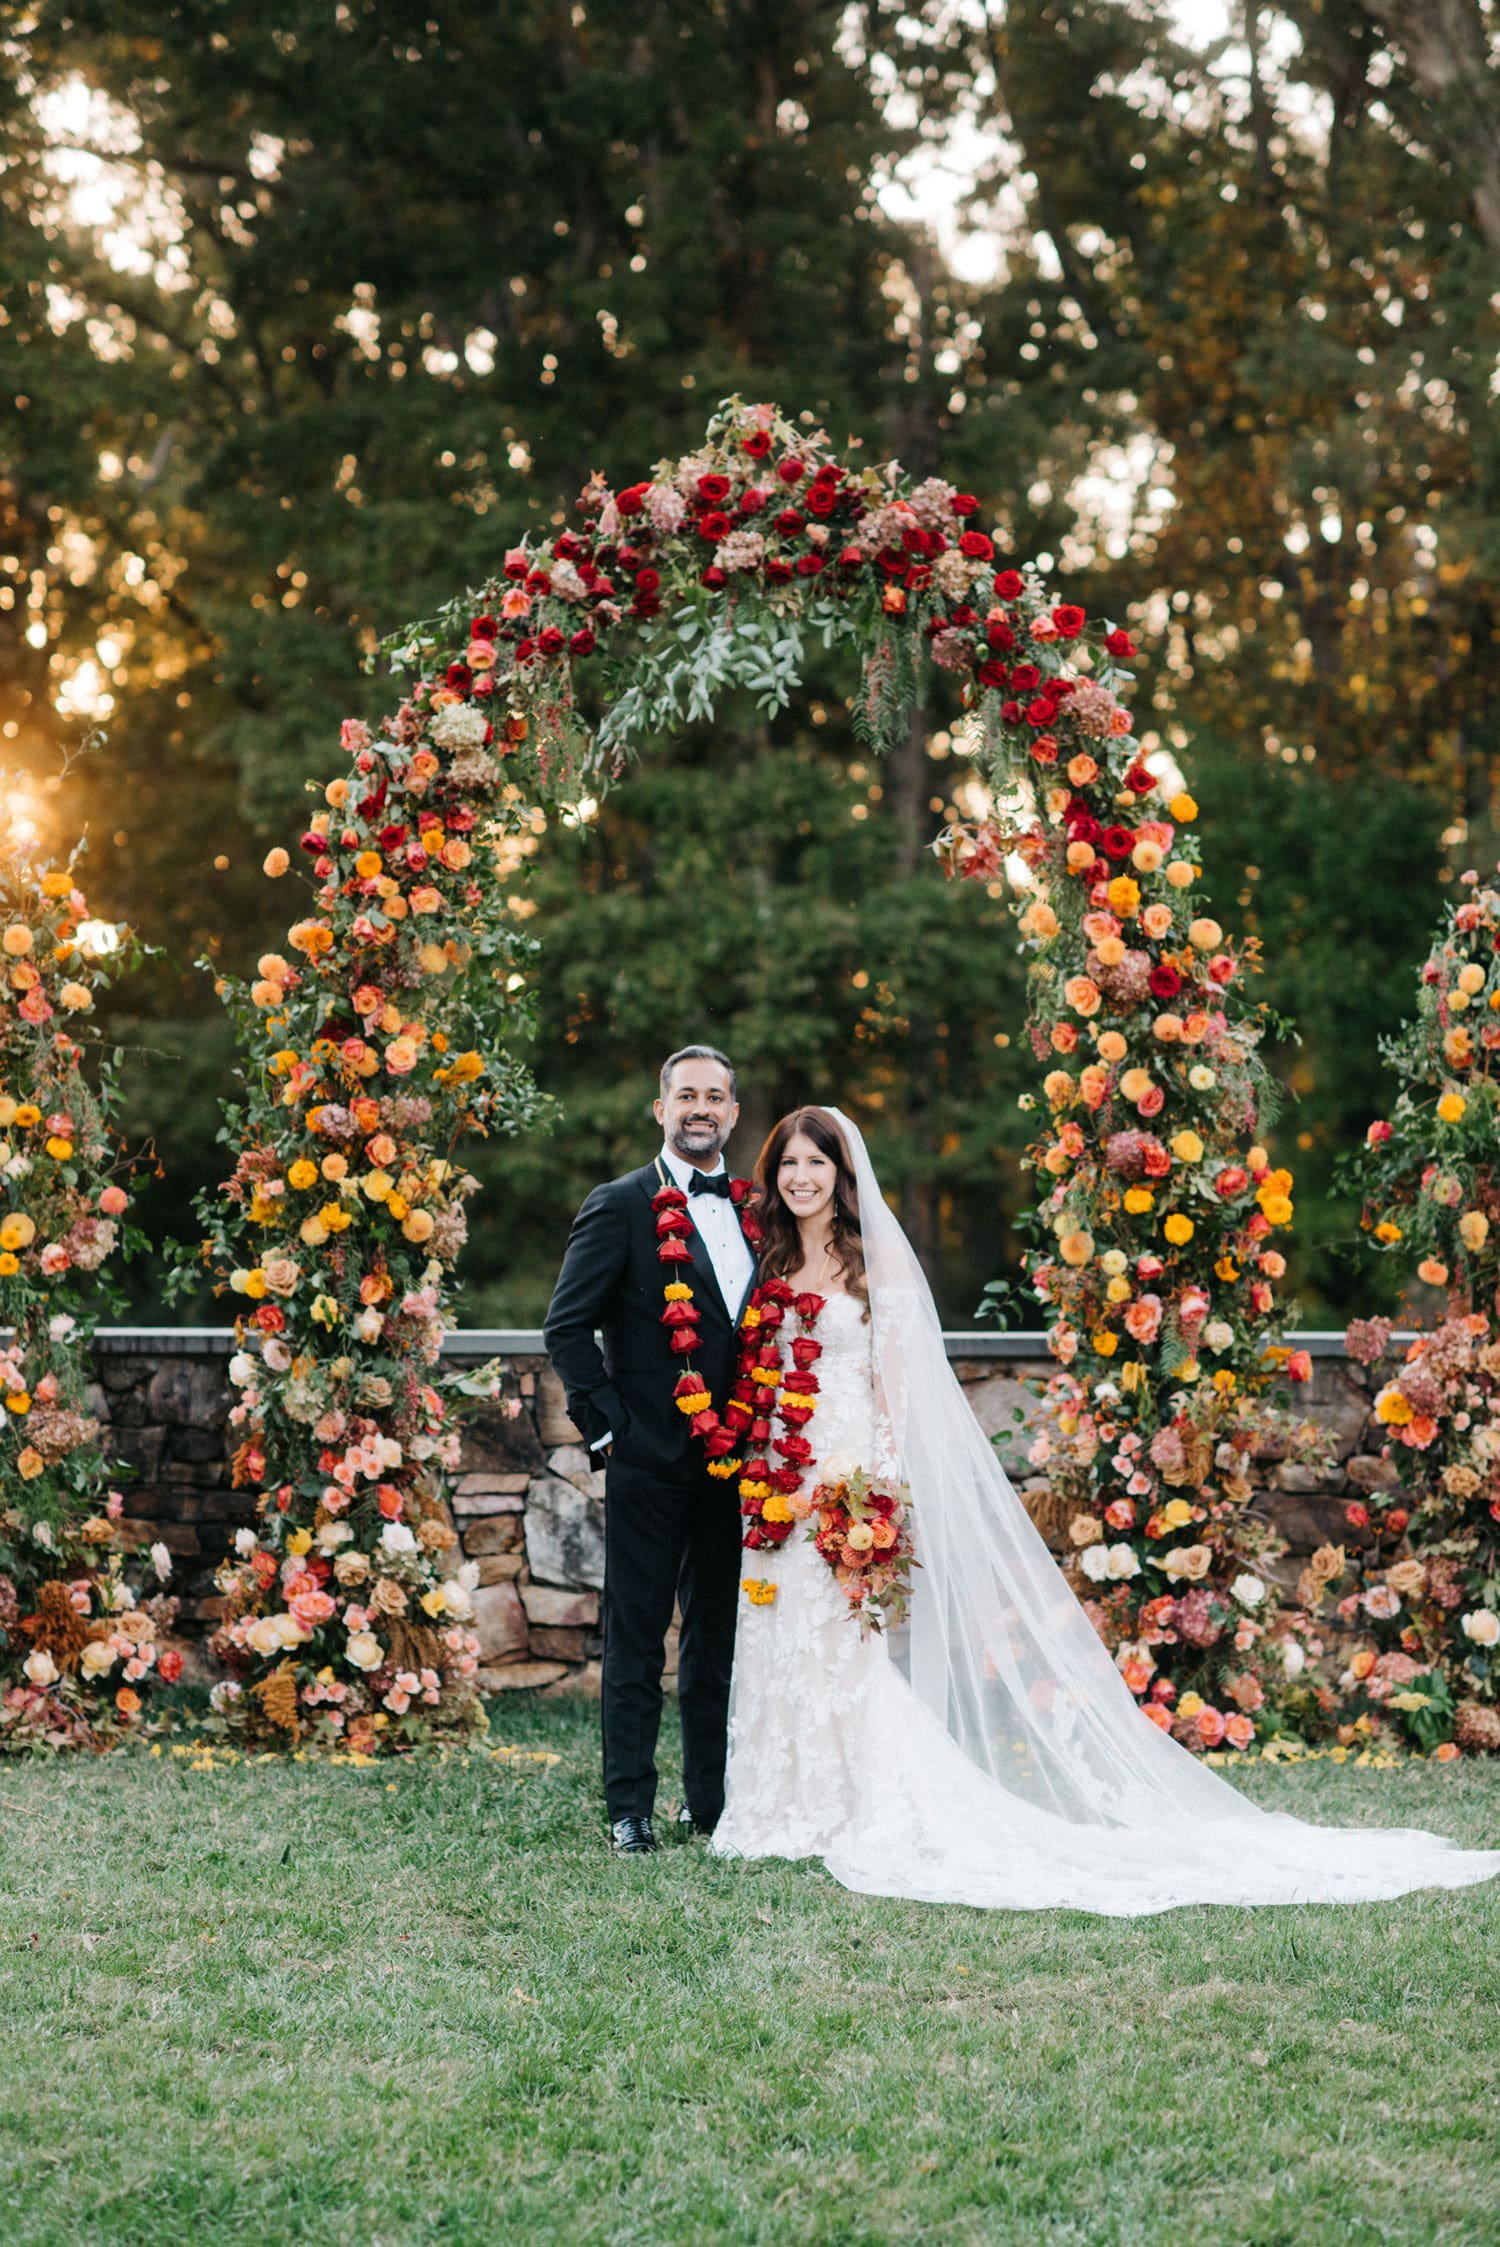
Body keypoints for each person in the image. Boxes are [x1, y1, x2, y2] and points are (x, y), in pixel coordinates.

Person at [712, 1106, 1500, 1914]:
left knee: (845, 1653)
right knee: (781, 1637)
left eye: (817, 1163)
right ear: (773, 1175)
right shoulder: (768, 1264)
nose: (801, 1177)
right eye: (788, 1165)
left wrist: (864, 1490)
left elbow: (895, 1399)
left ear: (844, 1176)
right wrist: (768, 1474)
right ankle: (783, 1802)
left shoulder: (875, 1266)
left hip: (845, 1488)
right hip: (774, 1484)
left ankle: (858, 1804)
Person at [544, 1047, 756, 1856]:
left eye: (715, 1096)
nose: (700, 1108)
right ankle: (628, 1807)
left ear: (733, 1114)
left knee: (716, 1641)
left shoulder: (754, 1210)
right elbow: (566, 1326)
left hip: (735, 1466)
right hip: (648, 1462)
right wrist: (608, 1431)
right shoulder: (621, 1204)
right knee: (636, 1636)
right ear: (660, 1107)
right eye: (686, 1095)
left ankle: (709, 1804)